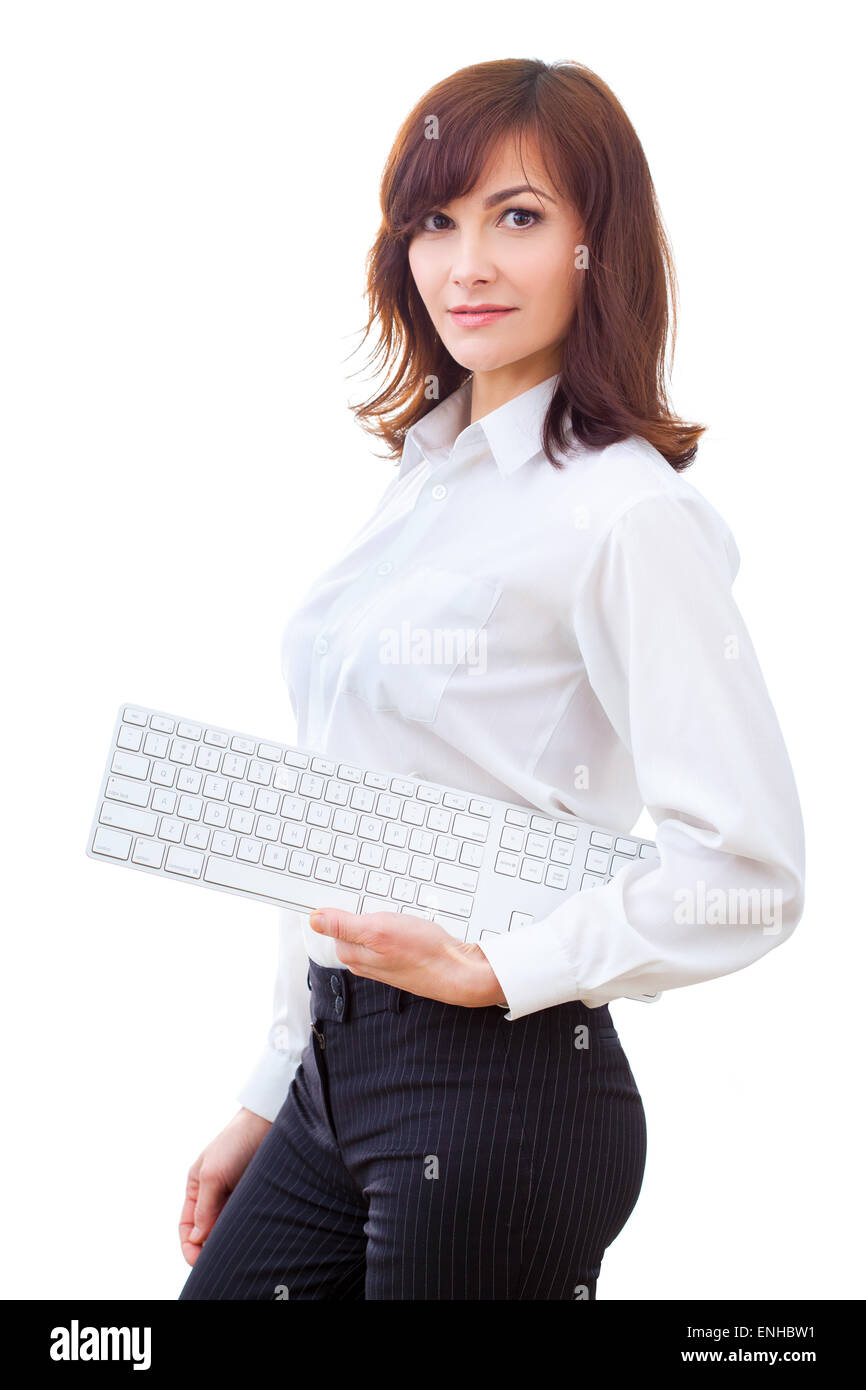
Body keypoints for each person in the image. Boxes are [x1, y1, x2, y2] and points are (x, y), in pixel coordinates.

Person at [178, 57, 805, 1301]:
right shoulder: (424, 479)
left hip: (501, 1095)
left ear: (595, 243)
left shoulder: (625, 513)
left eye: (516, 218)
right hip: (335, 1076)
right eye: (434, 220)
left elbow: (748, 872)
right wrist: (273, 1085)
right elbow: (334, 807)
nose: (464, 263)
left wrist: (500, 968)